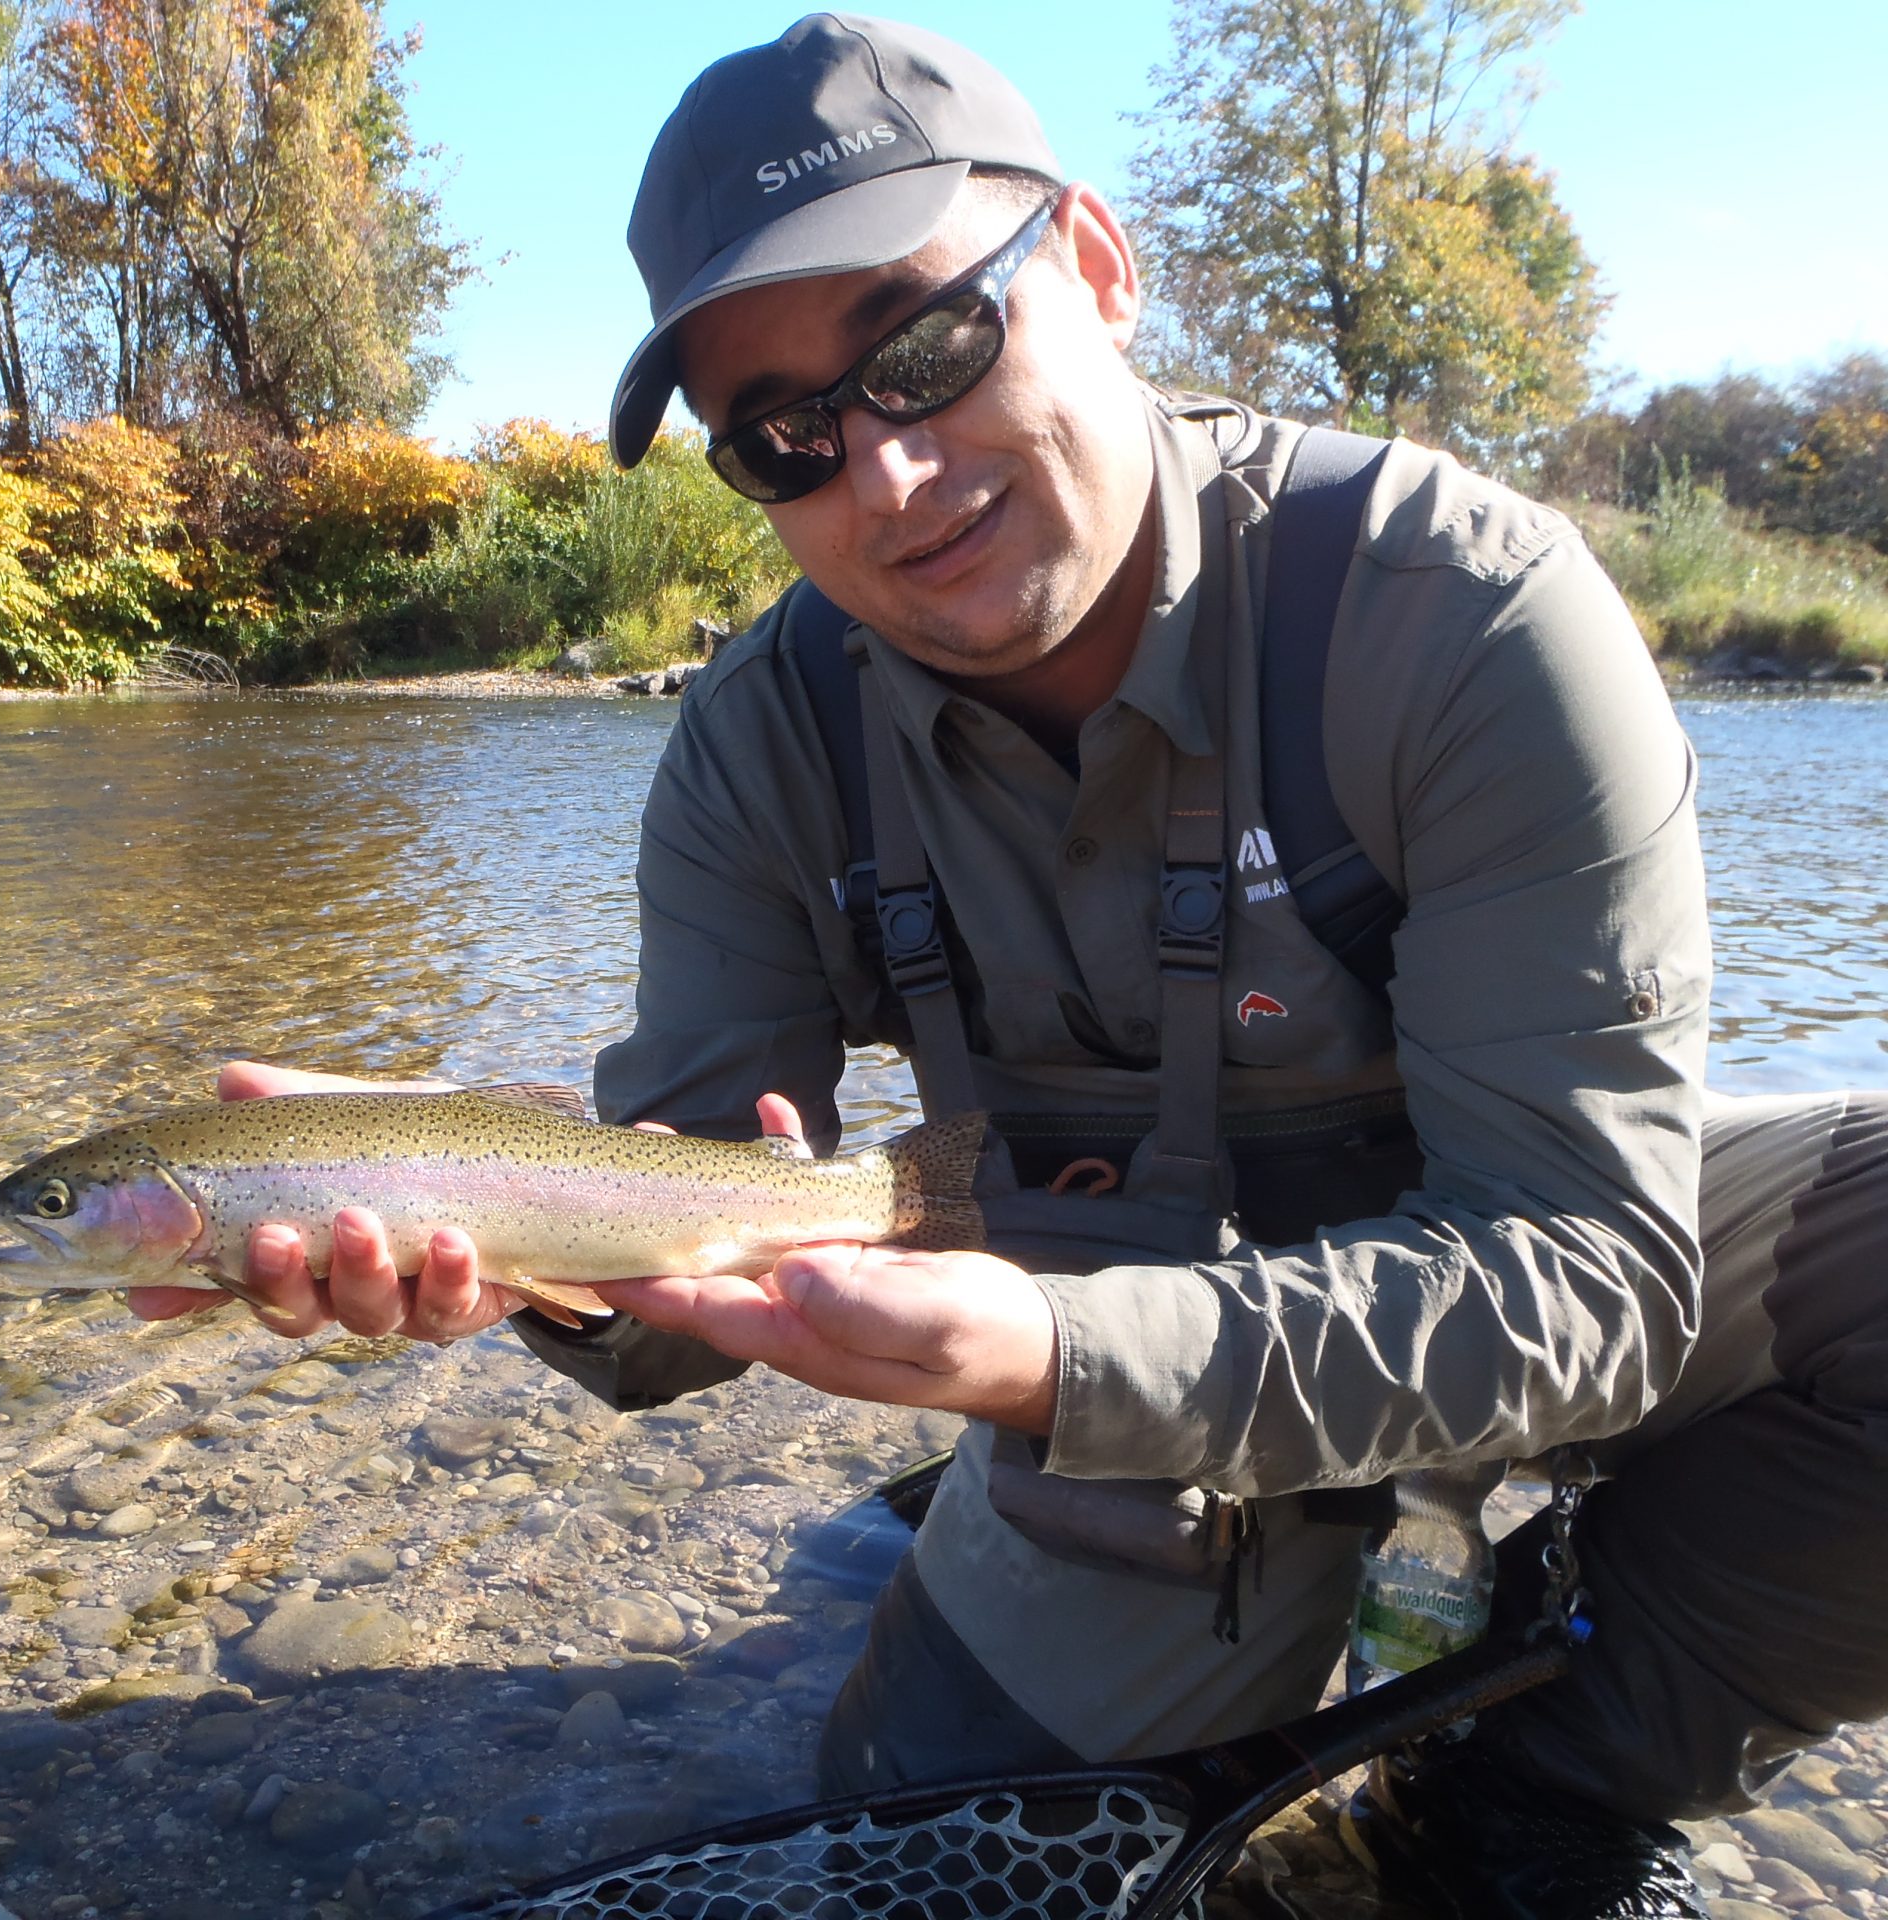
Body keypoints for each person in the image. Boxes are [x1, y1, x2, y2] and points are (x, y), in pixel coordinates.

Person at [131, 16, 1888, 1918]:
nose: (883, 478)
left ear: (1101, 271)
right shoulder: (758, 747)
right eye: (787, 438)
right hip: (1110, 1375)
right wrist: (497, 1237)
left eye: (926, 345)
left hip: (1345, 1292)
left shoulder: (1462, 618)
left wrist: (1056, 1354)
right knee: (951, 1846)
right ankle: (1050, 1564)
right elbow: (681, 1265)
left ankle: (1549, 1761)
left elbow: (1596, 1274)